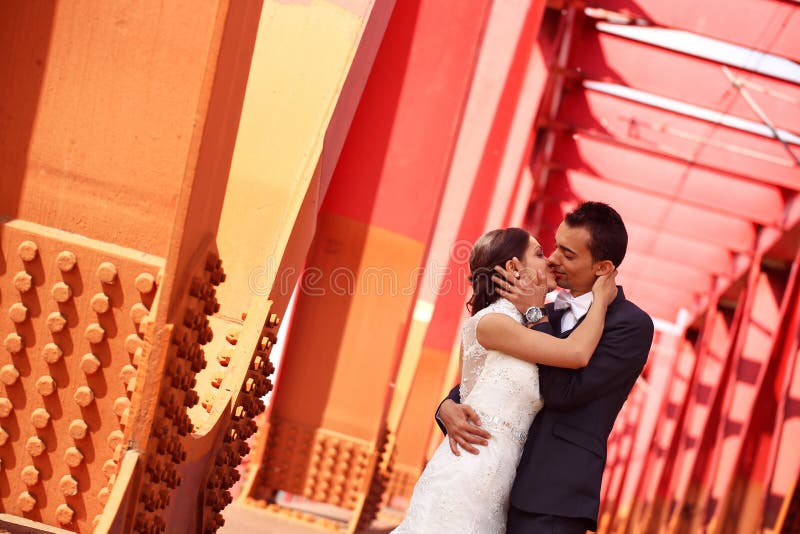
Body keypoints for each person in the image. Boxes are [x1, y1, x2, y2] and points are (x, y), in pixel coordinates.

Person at [438, 201, 654, 533]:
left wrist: (535, 316)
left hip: (553, 497)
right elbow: (494, 375)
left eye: (568, 254)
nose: (552, 259)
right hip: (494, 482)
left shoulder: (631, 325)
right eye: (553, 247)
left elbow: (562, 392)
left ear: (603, 267)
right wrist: (446, 406)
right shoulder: (542, 309)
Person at [392, 226, 619, 534]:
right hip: (470, 472)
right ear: (514, 268)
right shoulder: (495, 322)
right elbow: (576, 353)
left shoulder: (525, 324)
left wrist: (448, 404)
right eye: (539, 254)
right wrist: (601, 302)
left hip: (500, 484)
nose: (550, 261)